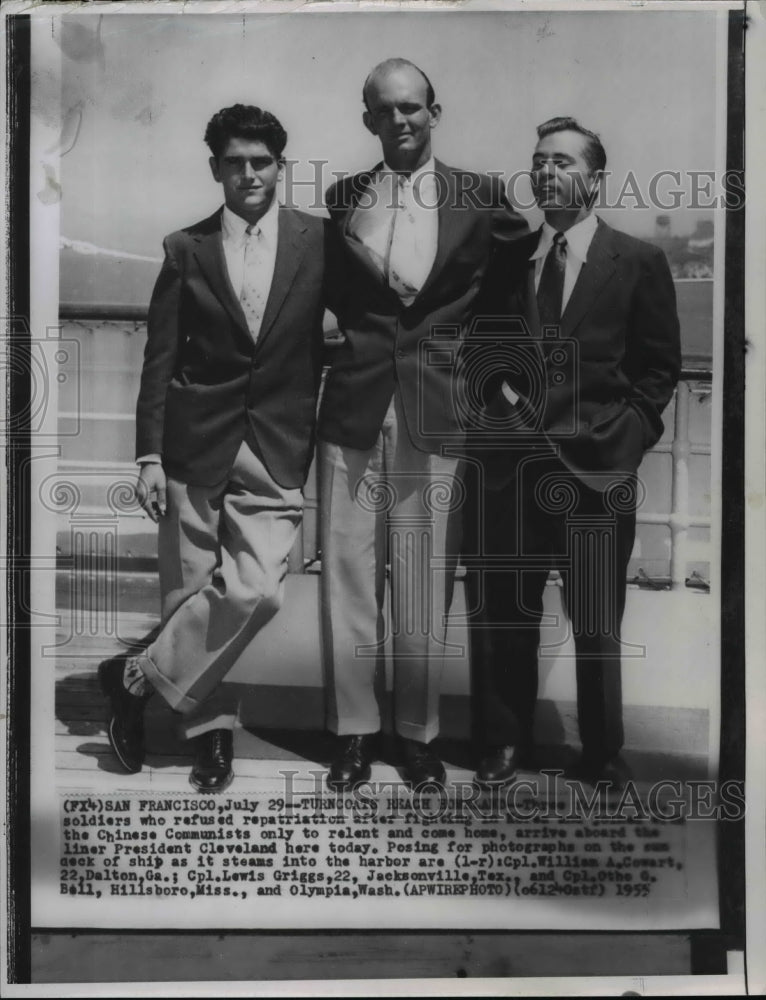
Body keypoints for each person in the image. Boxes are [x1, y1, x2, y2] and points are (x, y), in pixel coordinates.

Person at [99, 104, 341, 792]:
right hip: (192, 442)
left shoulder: (319, 243)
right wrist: (147, 455)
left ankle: (133, 677)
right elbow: (159, 358)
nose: (248, 174)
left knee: (256, 591)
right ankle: (209, 739)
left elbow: (372, 313)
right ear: (216, 169)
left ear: (280, 167)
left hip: (277, 442)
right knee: (188, 592)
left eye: (261, 161)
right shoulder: (185, 248)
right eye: (234, 162)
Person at [319, 58, 528, 789]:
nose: (401, 120)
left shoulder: (482, 197)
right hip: (353, 406)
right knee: (347, 577)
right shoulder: (343, 197)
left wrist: (495, 370)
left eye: (413, 108)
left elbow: (514, 285)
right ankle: (351, 732)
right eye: (386, 109)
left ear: (434, 113)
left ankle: (416, 736)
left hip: (438, 408)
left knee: (423, 577)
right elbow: (333, 290)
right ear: (368, 118)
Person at [464, 116, 681, 788]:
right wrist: (498, 398)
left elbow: (659, 369)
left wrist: (629, 435)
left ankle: (601, 751)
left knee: (596, 620)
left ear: (594, 177)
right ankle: (505, 742)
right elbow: (478, 351)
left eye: (562, 161)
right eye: (538, 161)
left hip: (598, 471)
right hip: (513, 470)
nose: (546, 172)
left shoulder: (638, 262)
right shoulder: (508, 260)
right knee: (507, 611)